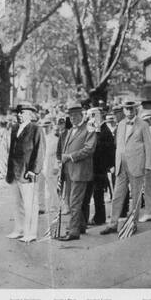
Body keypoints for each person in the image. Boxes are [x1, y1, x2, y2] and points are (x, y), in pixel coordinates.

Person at [101, 100, 151, 234]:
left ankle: (132, 223)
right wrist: (115, 163)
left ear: (136, 109)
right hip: (121, 165)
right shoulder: (121, 124)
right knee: (117, 195)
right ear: (123, 110)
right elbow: (118, 146)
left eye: (131, 108)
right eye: (126, 109)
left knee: (136, 196)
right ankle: (113, 223)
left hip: (136, 165)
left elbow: (149, 147)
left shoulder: (143, 125)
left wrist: (147, 166)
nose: (129, 111)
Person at [57, 102, 98, 241]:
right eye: (70, 115)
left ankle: (73, 231)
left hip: (81, 171)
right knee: (70, 200)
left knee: (74, 202)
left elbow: (89, 149)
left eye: (75, 115)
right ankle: (80, 226)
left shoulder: (89, 127)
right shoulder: (69, 131)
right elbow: (65, 150)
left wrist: (70, 156)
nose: (72, 118)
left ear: (81, 115)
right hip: (69, 171)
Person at [5, 103, 43, 242]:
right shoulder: (15, 129)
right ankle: (19, 229)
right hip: (14, 171)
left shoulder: (36, 129)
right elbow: (11, 151)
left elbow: (39, 151)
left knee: (30, 204)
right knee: (17, 203)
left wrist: (34, 170)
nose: (19, 115)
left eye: (22, 112)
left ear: (30, 114)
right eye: (18, 113)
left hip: (27, 173)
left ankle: (30, 233)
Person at [88, 105, 114, 226]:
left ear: (101, 116)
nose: (92, 118)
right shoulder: (99, 129)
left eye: (94, 115)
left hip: (100, 167)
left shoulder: (104, 130)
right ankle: (99, 216)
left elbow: (106, 150)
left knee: (98, 194)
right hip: (97, 167)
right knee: (97, 194)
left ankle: (100, 218)